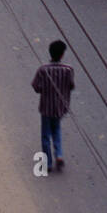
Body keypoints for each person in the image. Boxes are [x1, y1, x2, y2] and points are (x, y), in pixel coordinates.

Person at [31, 39, 75, 174]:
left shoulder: (43, 70)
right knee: (56, 130)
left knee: (45, 135)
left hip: (46, 107)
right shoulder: (68, 70)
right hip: (60, 108)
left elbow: (36, 87)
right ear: (62, 55)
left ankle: (47, 163)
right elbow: (71, 86)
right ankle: (59, 155)